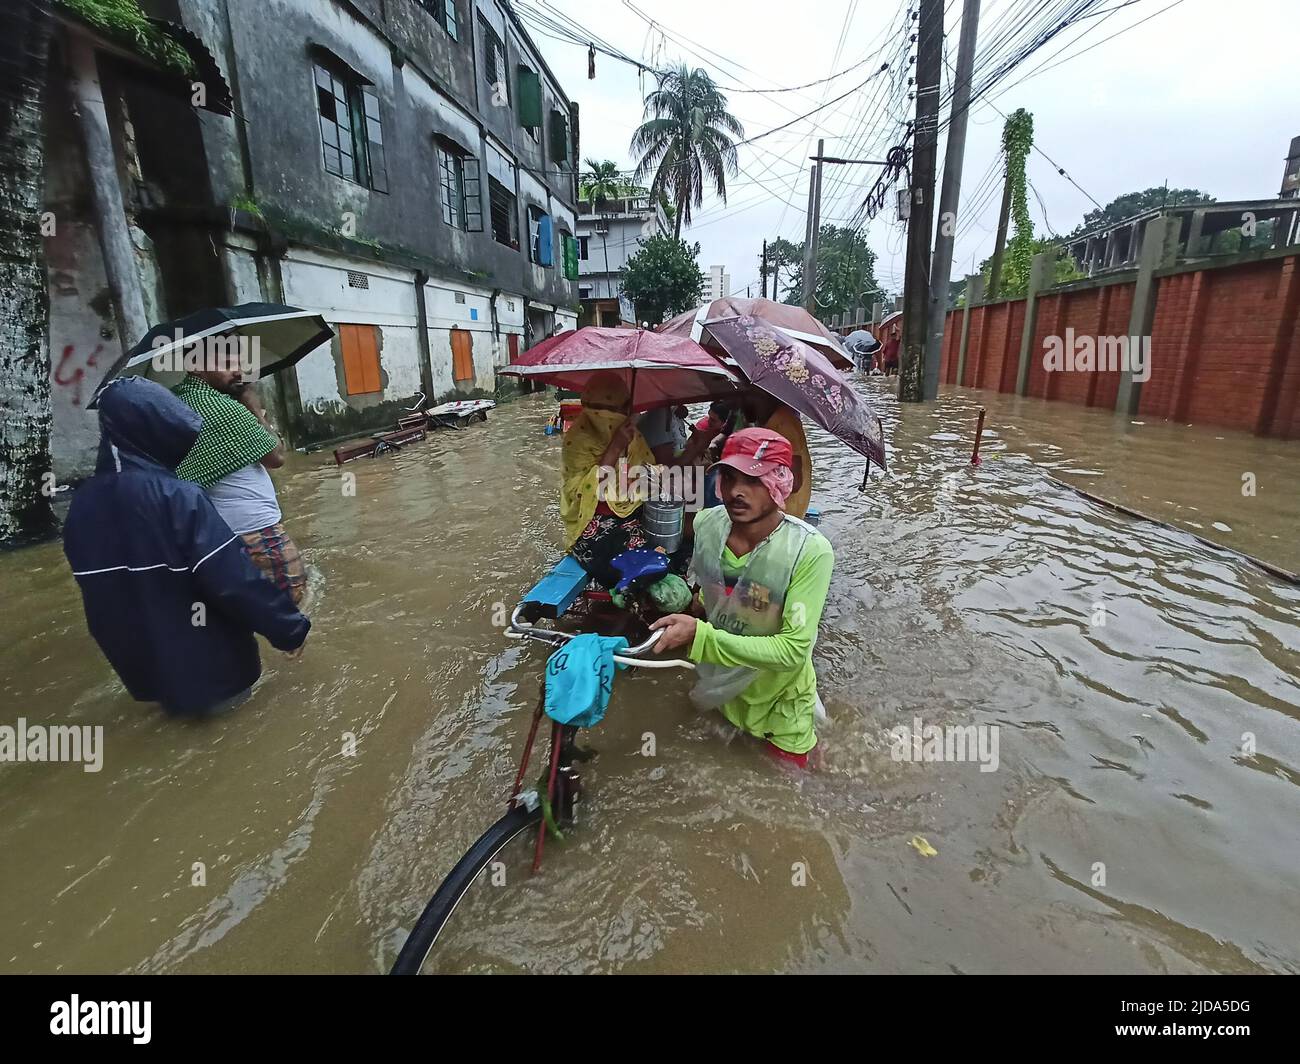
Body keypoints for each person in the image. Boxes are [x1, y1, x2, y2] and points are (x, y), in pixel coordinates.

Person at [64, 377, 310, 718]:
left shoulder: (81, 505)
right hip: (219, 672)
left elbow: (106, 598)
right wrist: (289, 629)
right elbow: (234, 580)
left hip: (148, 680)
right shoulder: (179, 497)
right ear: (156, 433)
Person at [649, 428, 833, 766]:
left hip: (781, 703)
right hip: (723, 690)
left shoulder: (809, 551)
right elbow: (711, 586)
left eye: (753, 479)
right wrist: (693, 603)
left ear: (779, 481)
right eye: (729, 477)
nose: (736, 491)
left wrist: (699, 634)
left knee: (788, 794)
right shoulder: (708, 524)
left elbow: (793, 650)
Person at [173, 349, 306, 604]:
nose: (237, 371)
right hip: (259, 535)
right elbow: (276, 456)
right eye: (225, 363)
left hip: (210, 541)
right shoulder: (223, 408)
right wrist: (253, 407)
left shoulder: (175, 402)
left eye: (238, 363)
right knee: (293, 607)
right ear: (195, 367)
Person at [561, 372, 656, 588]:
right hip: (590, 524)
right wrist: (614, 448)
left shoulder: (632, 435)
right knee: (623, 566)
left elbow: (644, 477)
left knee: (669, 547)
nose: (608, 419)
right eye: (601, 411)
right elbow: (591, 492)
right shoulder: (578, 441)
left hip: (630, 513)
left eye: (615, 411)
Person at [740, 388, 811, 519]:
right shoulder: (771, 422)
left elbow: (794, 483)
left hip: (783, 514)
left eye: (745, 395)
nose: (741, 401)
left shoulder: (783, 424)